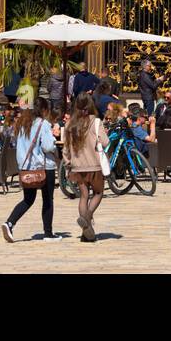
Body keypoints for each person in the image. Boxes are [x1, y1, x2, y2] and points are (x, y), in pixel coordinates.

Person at [2, 97, 59, 242]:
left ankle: (10, 222)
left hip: (26, 167)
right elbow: (47, 146)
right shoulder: (43, 124)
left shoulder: (22, 124)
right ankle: (48, 233)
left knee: (28, 199)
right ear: (44, 110)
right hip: (44, 167)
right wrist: (54, 141)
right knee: (47, 199)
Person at [62, 93, 106, 242]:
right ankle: (86, 218)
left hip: (77, 166)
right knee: (99, 192)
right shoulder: (96, 122)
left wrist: (68, 164)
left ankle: (85, 232)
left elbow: (66, 148)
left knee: (84, 196)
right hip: (93, 164)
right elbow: (105, 142)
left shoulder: (69, 124)